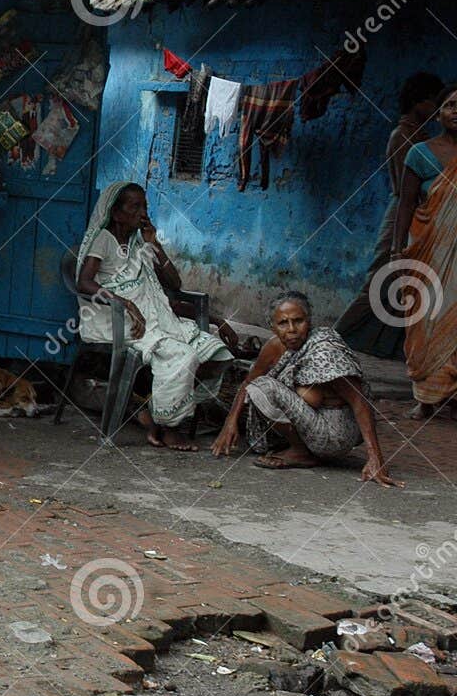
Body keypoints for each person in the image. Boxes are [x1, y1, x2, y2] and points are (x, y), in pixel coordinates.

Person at [75, 181, 234, 451]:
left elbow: (174, 283)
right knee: (184, 356)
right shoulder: (104, 240)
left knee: (214, 352)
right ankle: (169, 427)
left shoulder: (141, 242)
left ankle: (155, 416)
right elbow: (84, 283)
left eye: (145, 206)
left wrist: (155, 245)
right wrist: (124, 303)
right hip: (118, 323)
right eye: (134, 206)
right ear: (116, 213)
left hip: (157, 320)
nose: (142, 213)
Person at [213, 291, 399, 486]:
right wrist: (230, 421)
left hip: (335, 435)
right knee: (257, 385)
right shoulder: (274, 347)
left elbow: (359, 400)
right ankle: (300, 448)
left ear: (309, 321)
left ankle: (301, 452)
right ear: (273, 327)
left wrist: (375, 457)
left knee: (264, 387)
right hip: (313, 427)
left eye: (298, 321)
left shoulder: (324, 349)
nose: (292, 329)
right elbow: (247, 382)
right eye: (283, 323)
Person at [337, 71, 444, 359]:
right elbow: (405, 190)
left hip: (419, 215)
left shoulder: (420, 135)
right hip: (402, 213)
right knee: (378, 280)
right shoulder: (404, 135)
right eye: (434, 101)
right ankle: (335, 336)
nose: (437, 108)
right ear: (417, 101)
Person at [390, 84, 457, 419]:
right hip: (429, 251)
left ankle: (452, 397)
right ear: (440, 112)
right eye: (450, 104)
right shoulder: (419, 152)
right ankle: (427, 397)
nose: (456, 111)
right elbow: (405, 202)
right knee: (425, 320)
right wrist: (396, 247)